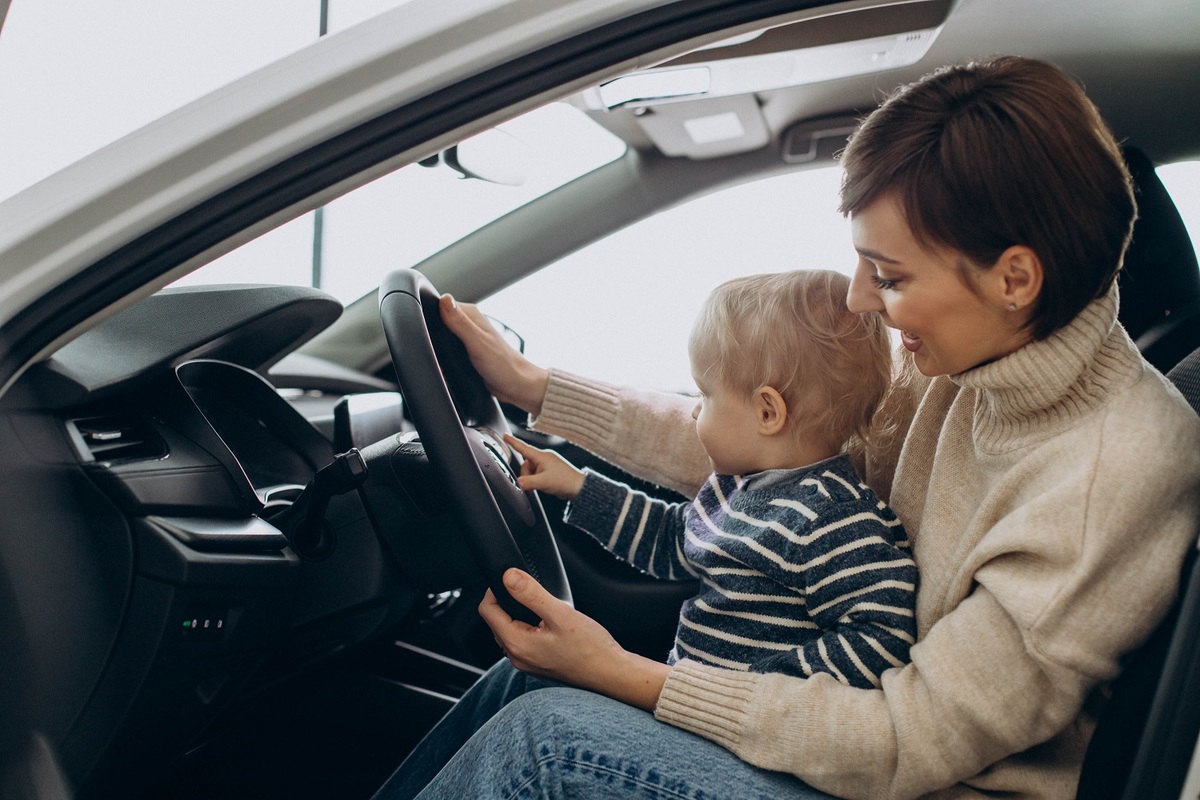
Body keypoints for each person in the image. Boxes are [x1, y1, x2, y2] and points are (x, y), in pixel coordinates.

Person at [373, 55, 1200, 800]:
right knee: (523, 685)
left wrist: (629, 676)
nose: (860, 299)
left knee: (545, 738)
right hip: (853, 751)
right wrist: (534, 387)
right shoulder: (968, 361)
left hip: (911, 781)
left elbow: (907, 739)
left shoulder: (1110, 474)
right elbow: (777, 450)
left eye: (890, 276)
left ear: (1014, 278)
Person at [505, 269, 917, 686]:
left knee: (542, 696)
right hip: (687, 698)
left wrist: (758, 686)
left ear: (767, 412)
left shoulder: (831, 518)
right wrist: (579, 488)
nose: (694, 410)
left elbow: (881, 639)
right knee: (518, 676)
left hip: (723, 716)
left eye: (705, 394)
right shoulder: (737, 485)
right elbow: (671, 540)